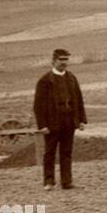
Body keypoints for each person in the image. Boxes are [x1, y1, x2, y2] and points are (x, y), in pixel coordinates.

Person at [34, 47, 87, 189]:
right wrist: (42, 125)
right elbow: (38, 105)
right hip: (52, 122)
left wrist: (81, 120)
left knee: (66, 152)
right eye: (61, 60)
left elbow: (79, 99)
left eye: (66, 60)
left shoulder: (71, 78)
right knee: (49, 152)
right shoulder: (45, 81)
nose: (64, 63)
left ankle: (66, 181)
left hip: (69, 121)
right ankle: (49, 181)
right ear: (53, 61)